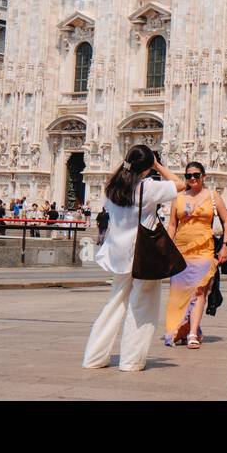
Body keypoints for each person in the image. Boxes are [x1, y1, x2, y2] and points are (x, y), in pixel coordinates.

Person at [82, 145, 186, 371]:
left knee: (114, 304)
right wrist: (159, 166)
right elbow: (181, 184)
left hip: (118, 255)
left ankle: (94, 357)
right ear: (147, 168)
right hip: (143, 254)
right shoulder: (147, 188)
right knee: (141, 306)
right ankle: (130, 361)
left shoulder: (111, 187)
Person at [164, 162, 227, 347]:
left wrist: (225, 246)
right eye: (189, 176)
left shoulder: (213, 196)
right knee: (180, 293)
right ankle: (183, 328)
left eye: (196, 175)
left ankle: (192, 333)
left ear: (204, 176)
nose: (192, 178)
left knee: (200, 289)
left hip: (205, 249)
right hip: (181, 250)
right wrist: (166, 249)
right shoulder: (178, 198)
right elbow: (172, 225)